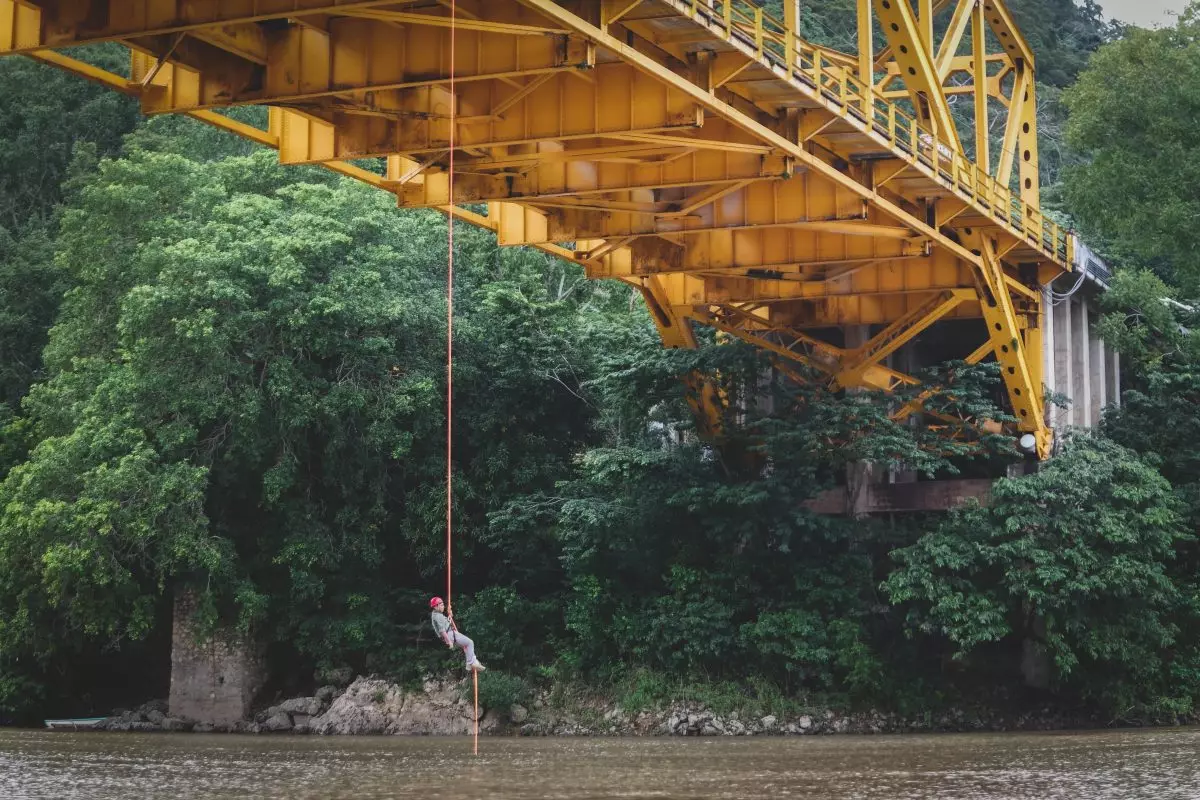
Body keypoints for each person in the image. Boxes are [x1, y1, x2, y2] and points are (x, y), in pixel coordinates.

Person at [429, 597, 486, 672]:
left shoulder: (437, 614)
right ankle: (471, 662)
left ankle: (469, 664)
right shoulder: (437, 616)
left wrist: (450, 614)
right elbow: (442, 630)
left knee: (466, 646)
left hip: (450, 633)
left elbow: (447, 622)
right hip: (450, 634)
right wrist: (449, 641)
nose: (443, 606)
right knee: (470, 642)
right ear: (436, 606)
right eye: (442, 605)